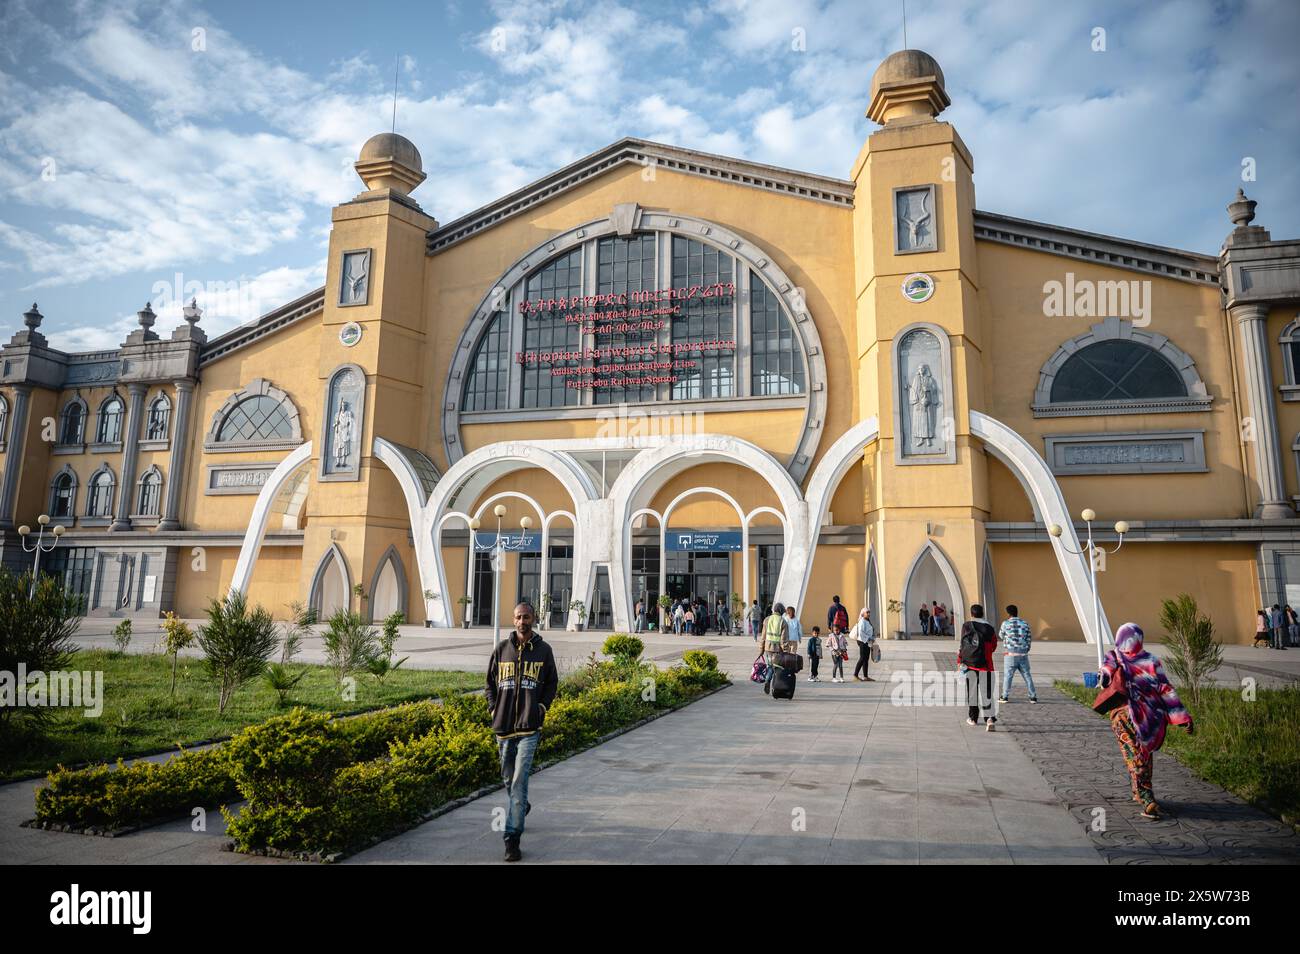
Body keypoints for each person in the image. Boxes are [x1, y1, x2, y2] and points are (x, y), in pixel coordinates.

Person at [485, 601, 558, 863]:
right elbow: (489, 683)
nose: (522, 621)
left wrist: (541, 706)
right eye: (518, 617)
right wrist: (493, 709)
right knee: (507, 779)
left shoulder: (543, 651)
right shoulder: (501, 650)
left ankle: (511, 838)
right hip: (503, 727)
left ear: (533, 618)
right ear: (513, 619)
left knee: (518, 781)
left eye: (526, 617)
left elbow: (552, 682)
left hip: (529, 727)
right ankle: (522, 806)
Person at [1099, 622, 1194, 820]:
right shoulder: (1151, 661)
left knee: (1136, 756)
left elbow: (1105, 675)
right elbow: (1166, 689)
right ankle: (1144, 795)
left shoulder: (1115, 656)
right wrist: (1181, 716)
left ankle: (1143, 795)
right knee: (1141, 755)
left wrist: (1104, 675)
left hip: (1126, 717)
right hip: (1147, 719)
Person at [958, 603, 999, 731]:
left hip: (970, 664)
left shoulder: (966, 626)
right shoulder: (990, 628)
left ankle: (973, 718)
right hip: (986, 665)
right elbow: (993, 646)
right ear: (983, 613)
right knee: (987, 694)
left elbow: (962, 645)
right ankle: (990, 719)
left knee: (972, 693)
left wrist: (960, 660)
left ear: (971, 614)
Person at [997, 604, 1037, 703]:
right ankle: (1033, 697)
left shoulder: (1005, 623)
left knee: (1008, 676)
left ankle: (1004, 696)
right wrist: (1026, 649)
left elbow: (1001, 635)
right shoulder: (1025, 623)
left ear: (1008, 613)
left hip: (1010, 654)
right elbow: (1029, 638)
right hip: (1023, 654)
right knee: (1027, 675)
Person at [762, 601, 790, 694]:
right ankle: (776, 686)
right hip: (778, 649)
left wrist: (761, 649)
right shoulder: (783, 621)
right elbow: (784, 639)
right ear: (781, 611)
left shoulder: (766, 620)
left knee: (770, 666)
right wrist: (786, 651)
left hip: (767, 648)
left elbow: (763, 636)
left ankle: (767, 680)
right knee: (778, 668)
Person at [853, 608, 875, 681]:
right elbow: (861, 632)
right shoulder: (862, 621)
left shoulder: (867, 621)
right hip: (863, 641)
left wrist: (871, 639)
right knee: (862, 658)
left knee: (866, 659)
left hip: (867, 642)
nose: (868, 614)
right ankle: (855, 675)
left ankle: (865, 676)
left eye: (869, 612)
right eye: (867, 612)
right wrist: (868, 639)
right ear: (863, 614)